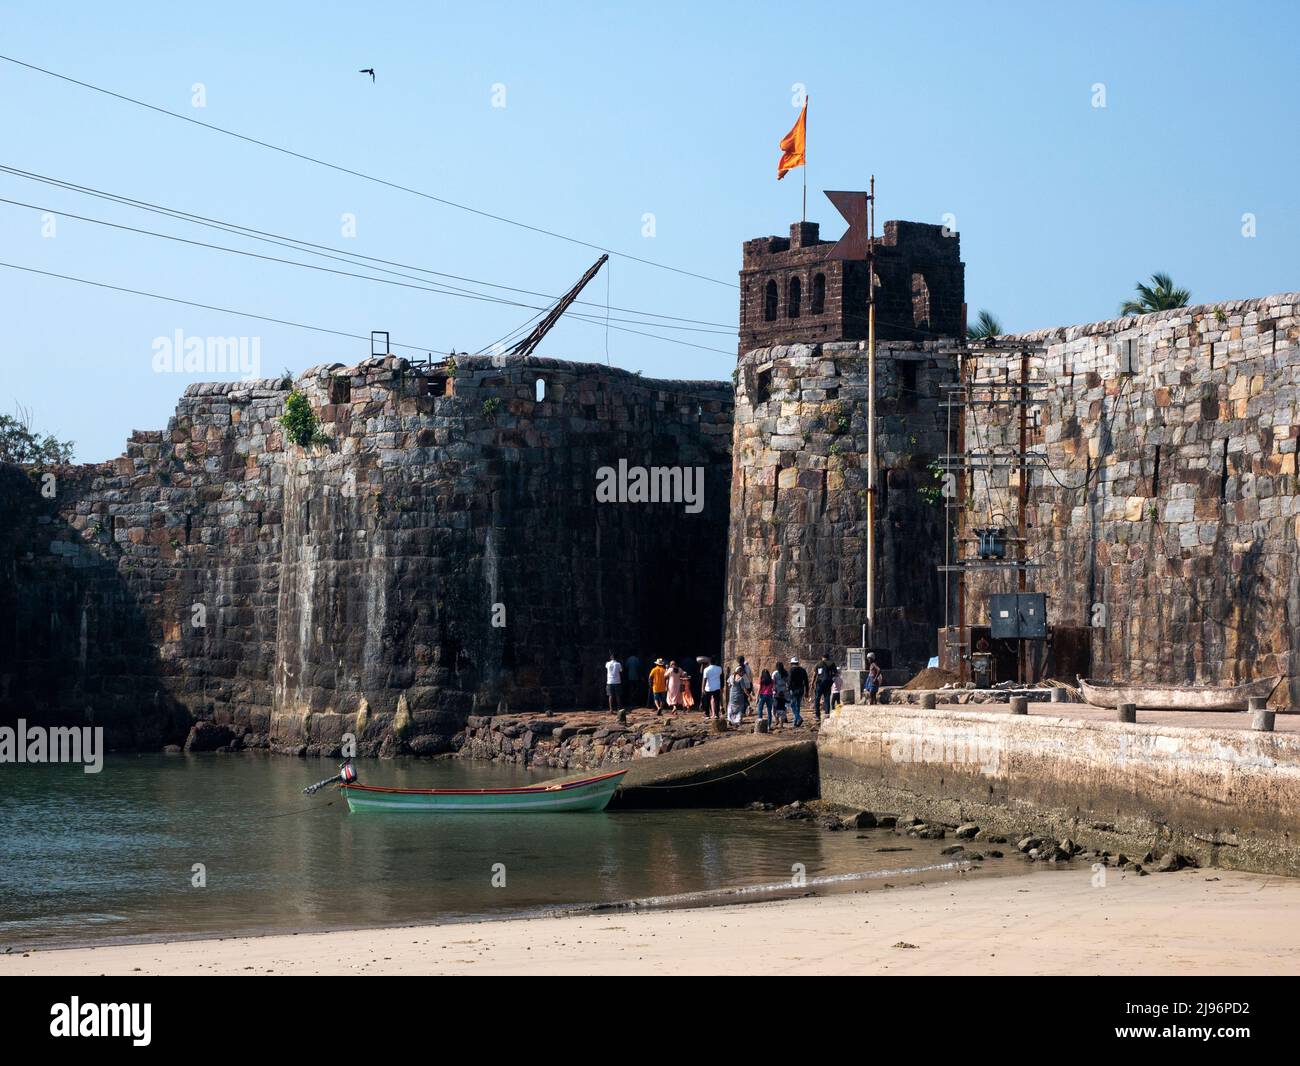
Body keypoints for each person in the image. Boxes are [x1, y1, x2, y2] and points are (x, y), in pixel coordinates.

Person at [813, 652, 838, 722]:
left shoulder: (818, 664)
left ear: (822, 657)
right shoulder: (832, 664)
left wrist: (812, 683)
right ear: (828, 657)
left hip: (820, 683)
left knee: (817, 698)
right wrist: (832, 680)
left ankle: (817, 715)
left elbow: (815, 675)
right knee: (827, 698)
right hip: (828, 683)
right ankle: (827, 713)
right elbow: (836, 674)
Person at [726, 661, 749, 727]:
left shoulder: (731, 677)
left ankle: (730, 720)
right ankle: (738, 721)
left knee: (731, 708)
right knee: (739, 709)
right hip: (739, 696)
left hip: (732, 696)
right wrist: (749, 696)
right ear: (740, 672)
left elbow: (728, 684)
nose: (743, 674)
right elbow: (744, 689)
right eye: (742, 673)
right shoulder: (741, 679)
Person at [787, 657, 808, 727]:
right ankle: (795, 722)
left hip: (794, 690)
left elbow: (789, 681)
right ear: (797, 663)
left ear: (791, 663)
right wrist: (807, 691)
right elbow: (806, 681)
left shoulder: (791, 670)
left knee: (792, 705)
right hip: (801, 689)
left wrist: (788, 689)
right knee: (798, 705)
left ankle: (798, 718)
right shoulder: (803, 670)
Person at [773, 661, 790, 727]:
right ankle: (782, 723)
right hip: (784, 691)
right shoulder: (786, 673)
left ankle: (777, 719)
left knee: (776, 706)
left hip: (777, 691)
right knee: (783, 706)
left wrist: (774, 690)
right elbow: (788, 683)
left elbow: (774, 683)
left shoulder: (775, 674)